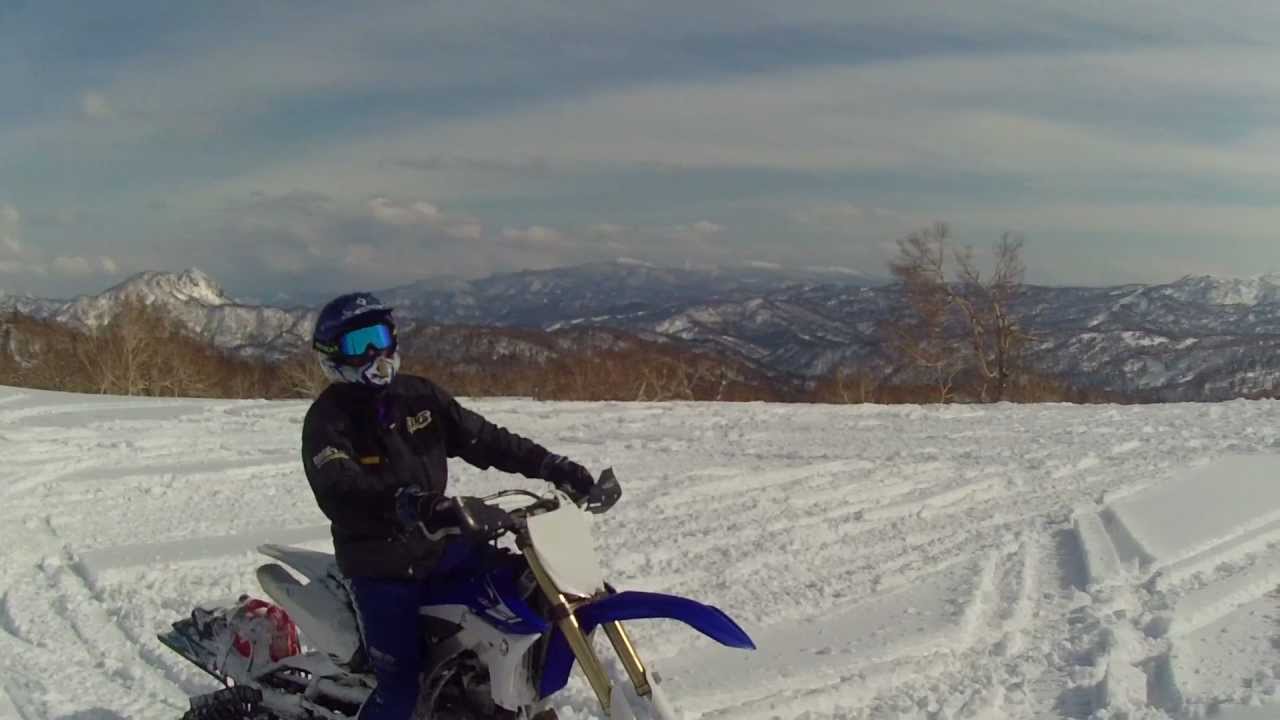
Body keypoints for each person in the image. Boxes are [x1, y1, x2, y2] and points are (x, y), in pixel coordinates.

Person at [300, 292, 601, 720]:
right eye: (358, 344)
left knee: (532, 591)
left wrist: (552, 466)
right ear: (332, 356)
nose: (375, 354)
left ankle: (502, 697)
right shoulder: (328, 420)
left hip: (446, 547)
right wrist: (409, 505)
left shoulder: (418, 397)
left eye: (379, 337)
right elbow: (340, 490)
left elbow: (484, 439)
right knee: (402, 690)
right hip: (381, 567)